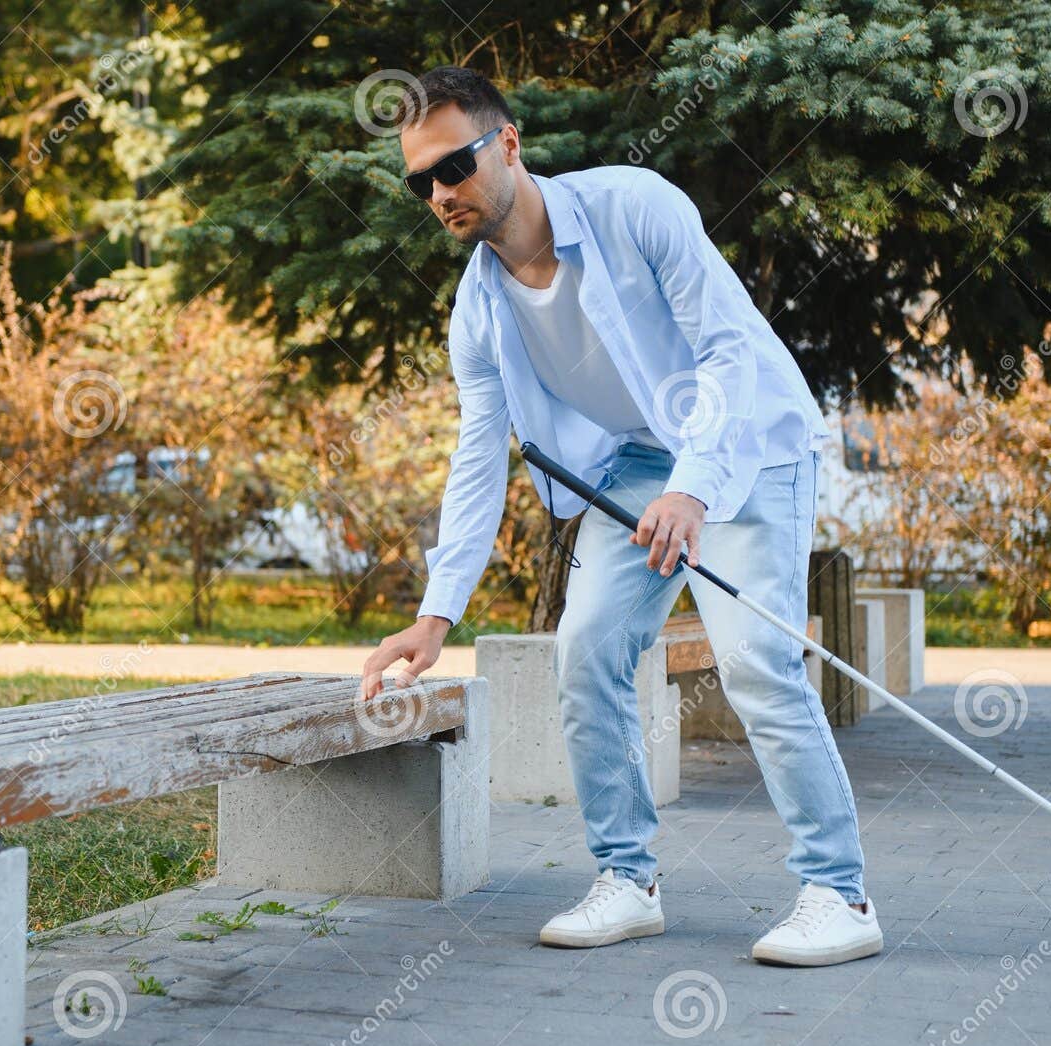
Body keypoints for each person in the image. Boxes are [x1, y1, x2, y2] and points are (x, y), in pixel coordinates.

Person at [360, 66, 880, 967]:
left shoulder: (635, 206)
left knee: (756, 661)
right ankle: (627, 880)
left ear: (509, 144)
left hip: (748, 441)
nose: (441, 193)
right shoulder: (478, 309)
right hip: (639, 464)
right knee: (587, 647)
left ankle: (840, 892)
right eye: (421, 181)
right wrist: (436, 614)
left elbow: (725, 348)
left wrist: (697, 486)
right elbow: (480, 455)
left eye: (456, 166)